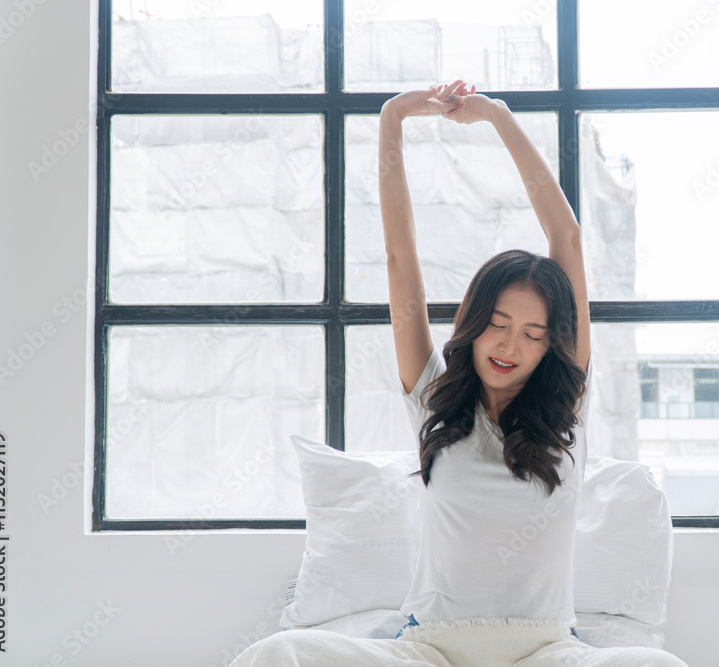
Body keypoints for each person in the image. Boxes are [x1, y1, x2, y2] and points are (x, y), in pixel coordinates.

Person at [229, 81, 687, 666]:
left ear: (552, 346)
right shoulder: (434, 399)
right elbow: (400, 261)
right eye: (498, 323)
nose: (510, 344)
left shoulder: (566, 410)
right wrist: (393, 119)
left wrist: (498, 118)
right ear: (474, 321)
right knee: (280, 654)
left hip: (545, 651)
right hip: (430, 651)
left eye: (533, 333)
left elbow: (566, 236)